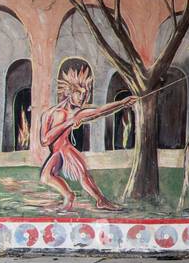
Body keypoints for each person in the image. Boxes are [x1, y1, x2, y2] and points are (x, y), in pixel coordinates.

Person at [39, 66, 136, 211]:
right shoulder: (49, 114)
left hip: (66, 150)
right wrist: (68, 123)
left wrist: (122, 103)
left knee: (83, 175)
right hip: (57, 152)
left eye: (86, 94)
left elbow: (100, 111)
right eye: (80, 94)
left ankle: (100, 200)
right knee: (46, 177)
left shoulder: (77, 114)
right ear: (68, 93)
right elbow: (45, 140)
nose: (84, 98)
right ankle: (69, 195)